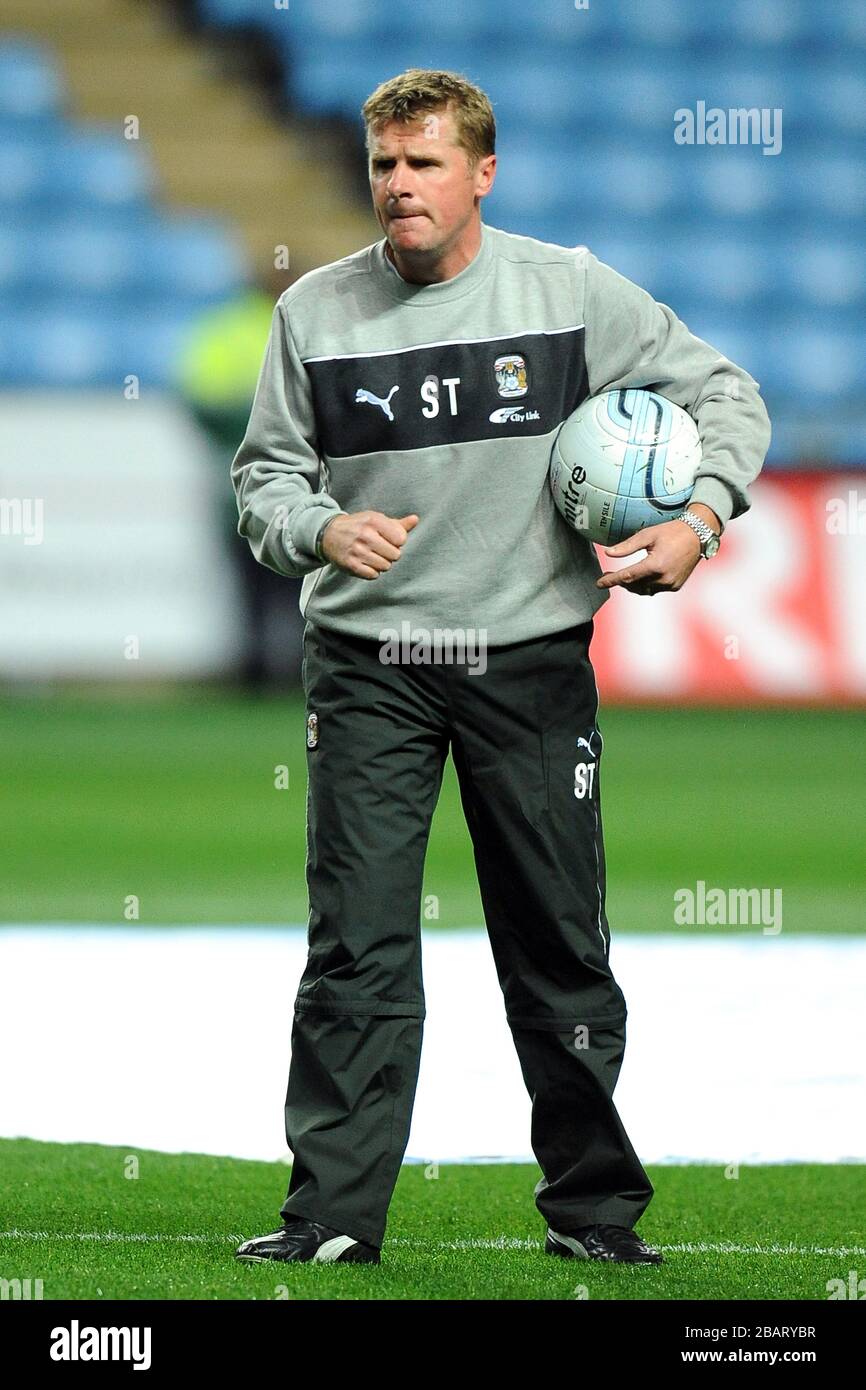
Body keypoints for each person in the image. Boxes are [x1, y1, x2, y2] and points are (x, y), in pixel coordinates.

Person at [230, 68, 771, 1267]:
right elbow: (263, 479)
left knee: (556, 941)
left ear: (481, 173)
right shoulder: (312, 314)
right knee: (356, 943)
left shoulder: (566, 291)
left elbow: (724, 393)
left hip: (526, 659)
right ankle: (329, 1217)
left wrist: (699, 521)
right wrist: (319, 527)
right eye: (382, 164)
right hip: (370, 662)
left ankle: (590, 1214)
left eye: (421, 164)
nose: (397, 187)